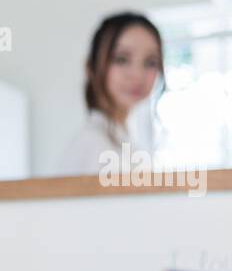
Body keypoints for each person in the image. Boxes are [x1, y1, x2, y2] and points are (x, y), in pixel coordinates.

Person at [55, 12, 165, 176]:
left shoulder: (126, 143)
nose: (137, 74)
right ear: (91, 67)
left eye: (150, 62)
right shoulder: (92, 144)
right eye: (121, 59)